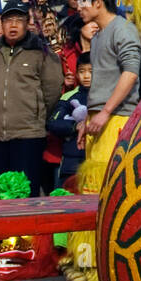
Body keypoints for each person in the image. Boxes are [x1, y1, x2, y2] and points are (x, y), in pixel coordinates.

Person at [64, 0, 141, 281]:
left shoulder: (123, 30)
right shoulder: (97, 36)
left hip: (117, 120)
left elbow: (131, 73)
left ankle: (96, 268)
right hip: (99, 119)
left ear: (98, 2)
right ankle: (85, 261)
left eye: (82, 1)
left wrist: (107, 112)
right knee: (88, 194)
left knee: (100, 193)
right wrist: (88, 119)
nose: (78, 7)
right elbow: (101, 84)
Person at [0, 3, 63, 195]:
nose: (13, 25)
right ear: (1, 24)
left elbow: (52, 89)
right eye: (9, 20)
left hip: (28, 135)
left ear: (27, 23)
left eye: (19, 21)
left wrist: (37, 114)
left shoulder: (40, 53)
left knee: (26, 194)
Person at [46, 55, 92, 189]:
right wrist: (75, 126)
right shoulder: (69, 97)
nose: (86, 76)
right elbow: (53, 123)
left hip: (98, 159)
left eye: (91, 71)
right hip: (72, 160)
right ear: (76, 74)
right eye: (82, 71)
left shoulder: (107, 97)